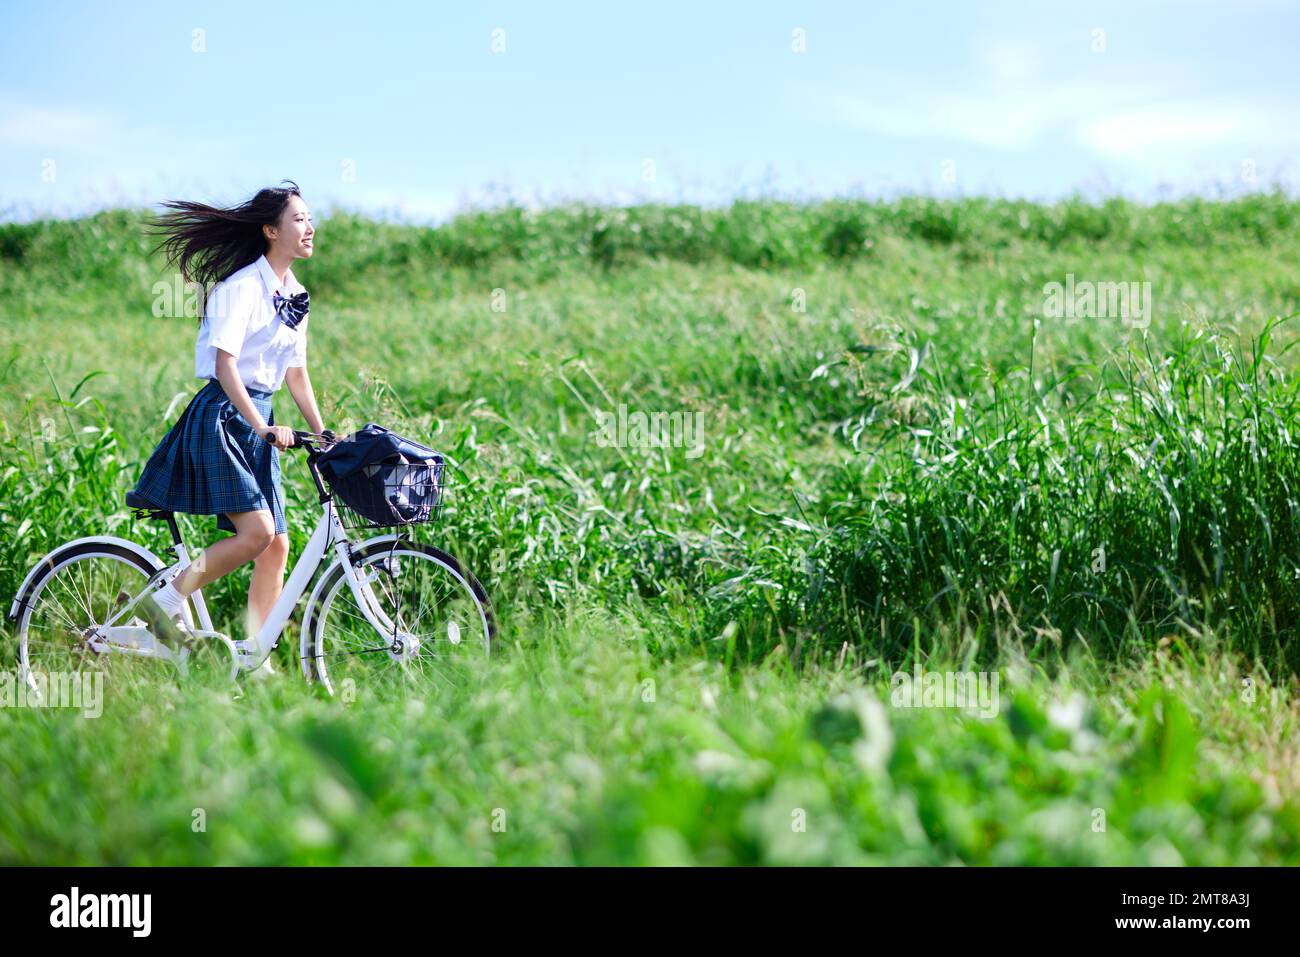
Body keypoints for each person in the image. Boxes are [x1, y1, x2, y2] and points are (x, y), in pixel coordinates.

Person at [130, 180, 330, 664]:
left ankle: (252, 658)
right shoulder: (240, 289)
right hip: (224, 414)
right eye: (299, 219)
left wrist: (323, 433)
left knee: (277, 547)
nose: (310, 228)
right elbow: (225, 366)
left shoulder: (296, 295)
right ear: (270, 230)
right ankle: (164, 603)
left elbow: (296, 374)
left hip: (261, 418)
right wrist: (259, 426)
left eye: (309, 219)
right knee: (258, 533)